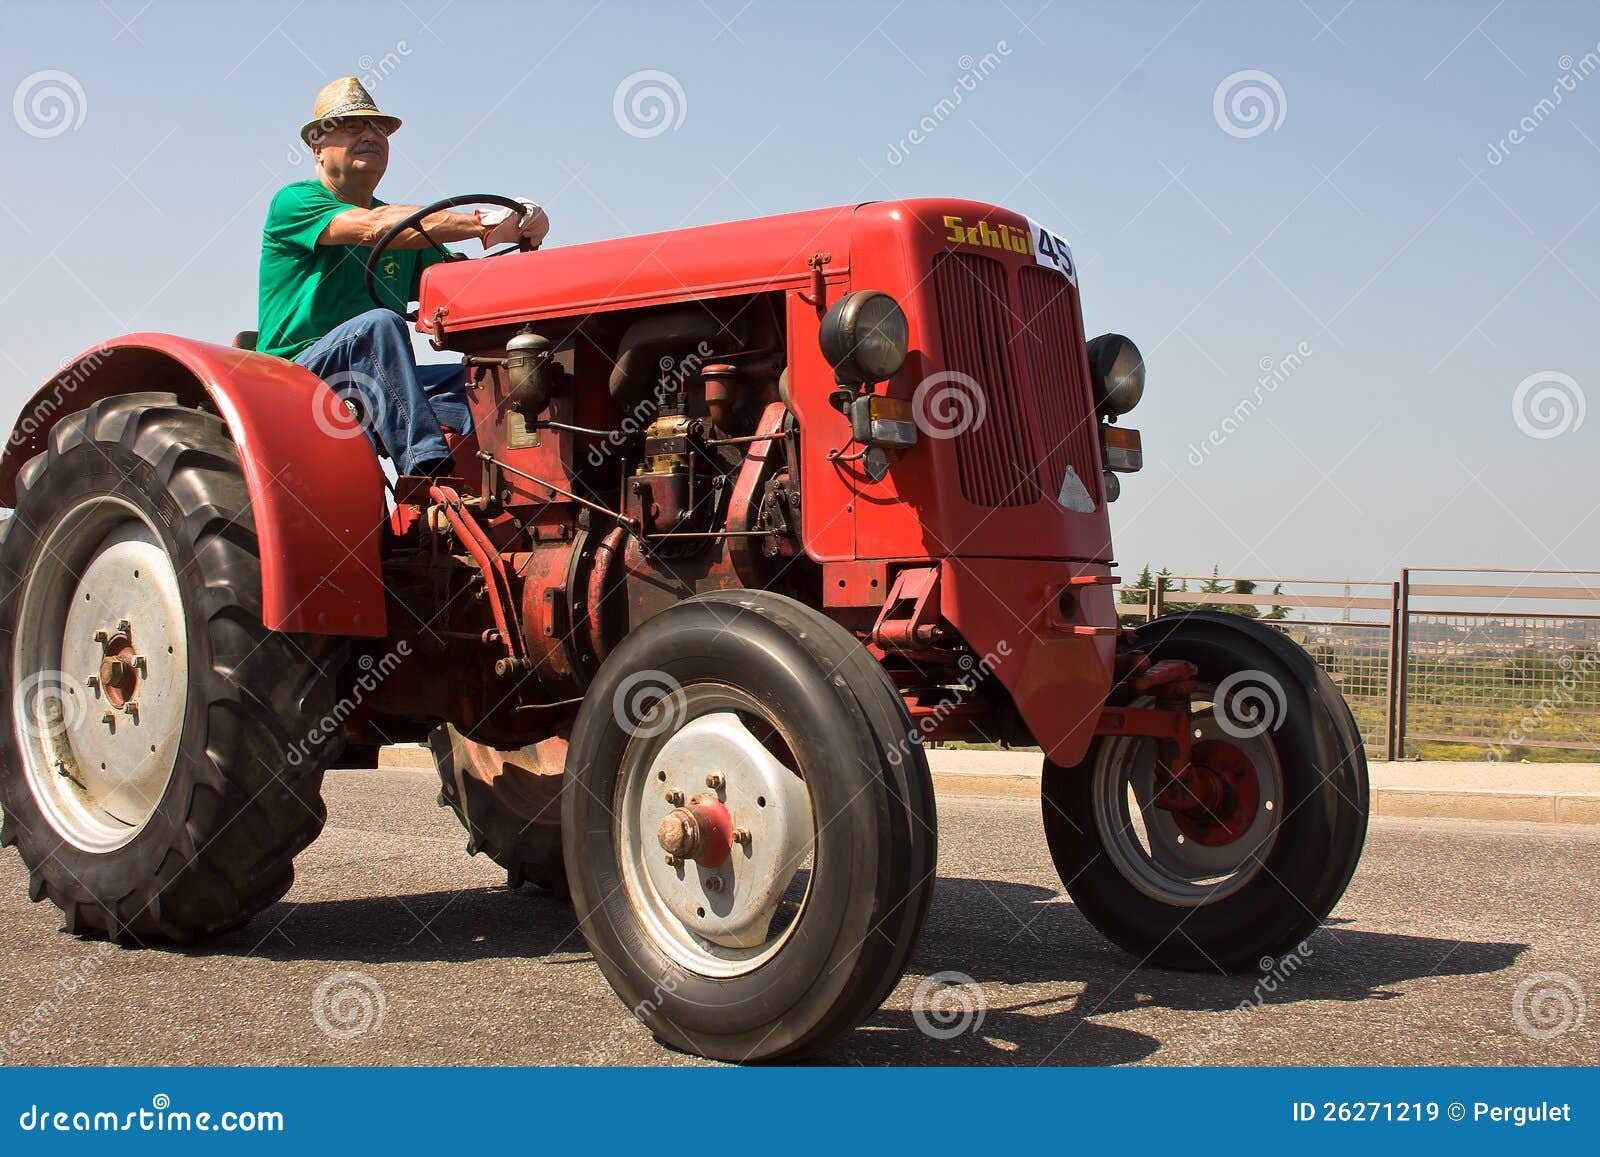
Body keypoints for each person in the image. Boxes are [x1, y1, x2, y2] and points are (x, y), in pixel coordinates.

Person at [256, 77, 549, 475]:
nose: (371, 135)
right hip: (297, 375)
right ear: (318, 148)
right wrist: (485, 224)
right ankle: (427, 470)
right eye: (353, 126)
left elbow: (460, 287)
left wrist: (525, 235)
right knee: (376, 327)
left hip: (373, 376)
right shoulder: (296, 202)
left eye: (379, 128)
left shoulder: (407, 233)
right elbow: (374, 227)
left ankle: (511, 491)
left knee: (490, 382)